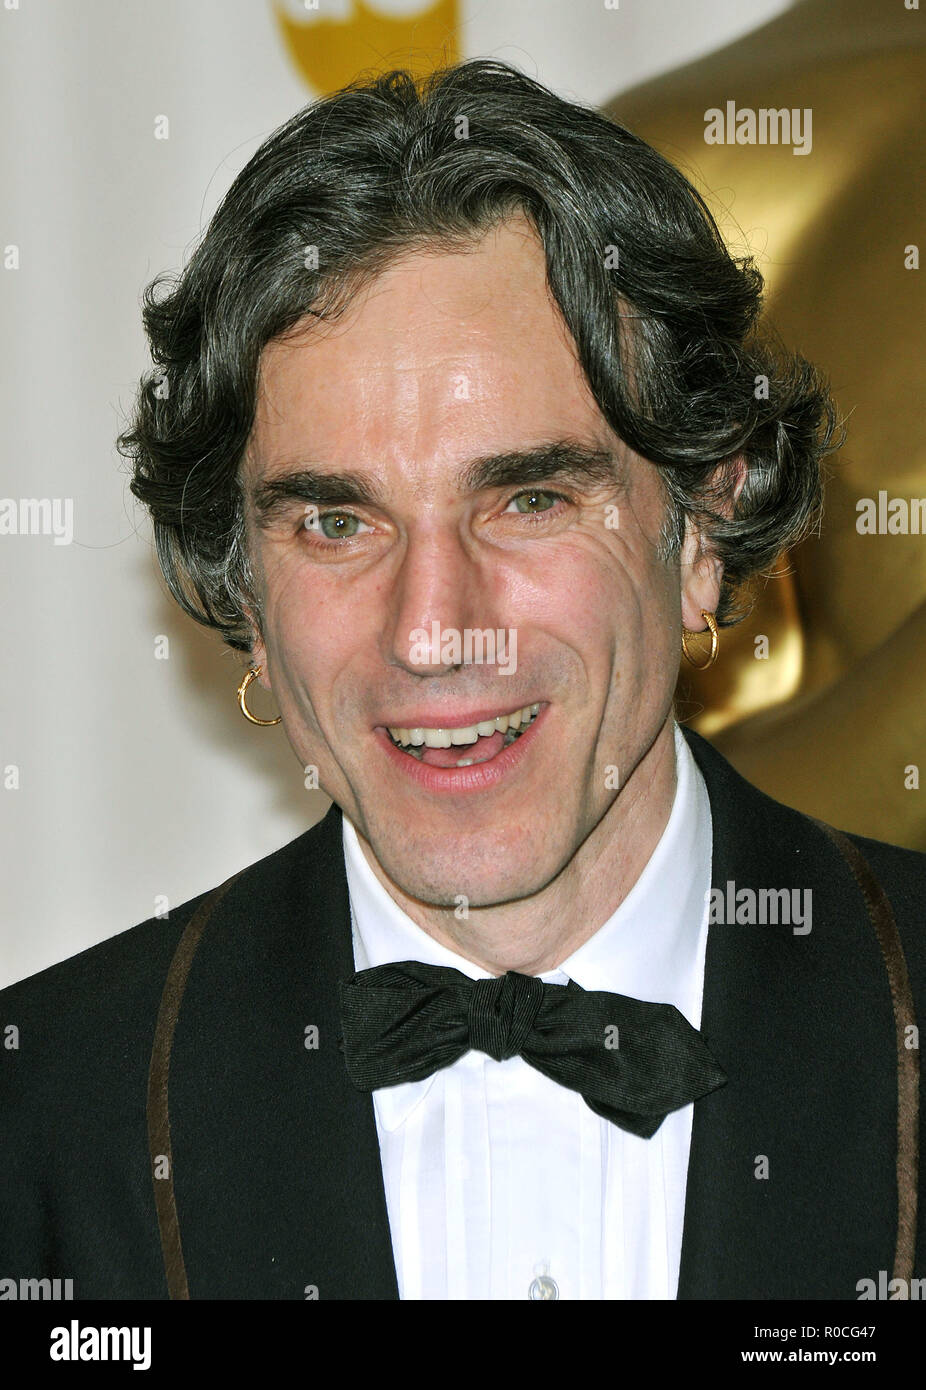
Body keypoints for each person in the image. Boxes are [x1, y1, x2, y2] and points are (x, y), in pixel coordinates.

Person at [1, 60, 922, 1302]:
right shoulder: (42, 1119)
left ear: (701, 528)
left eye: (528, 498)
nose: (432, 632)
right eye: (336, 523)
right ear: (246, 596)